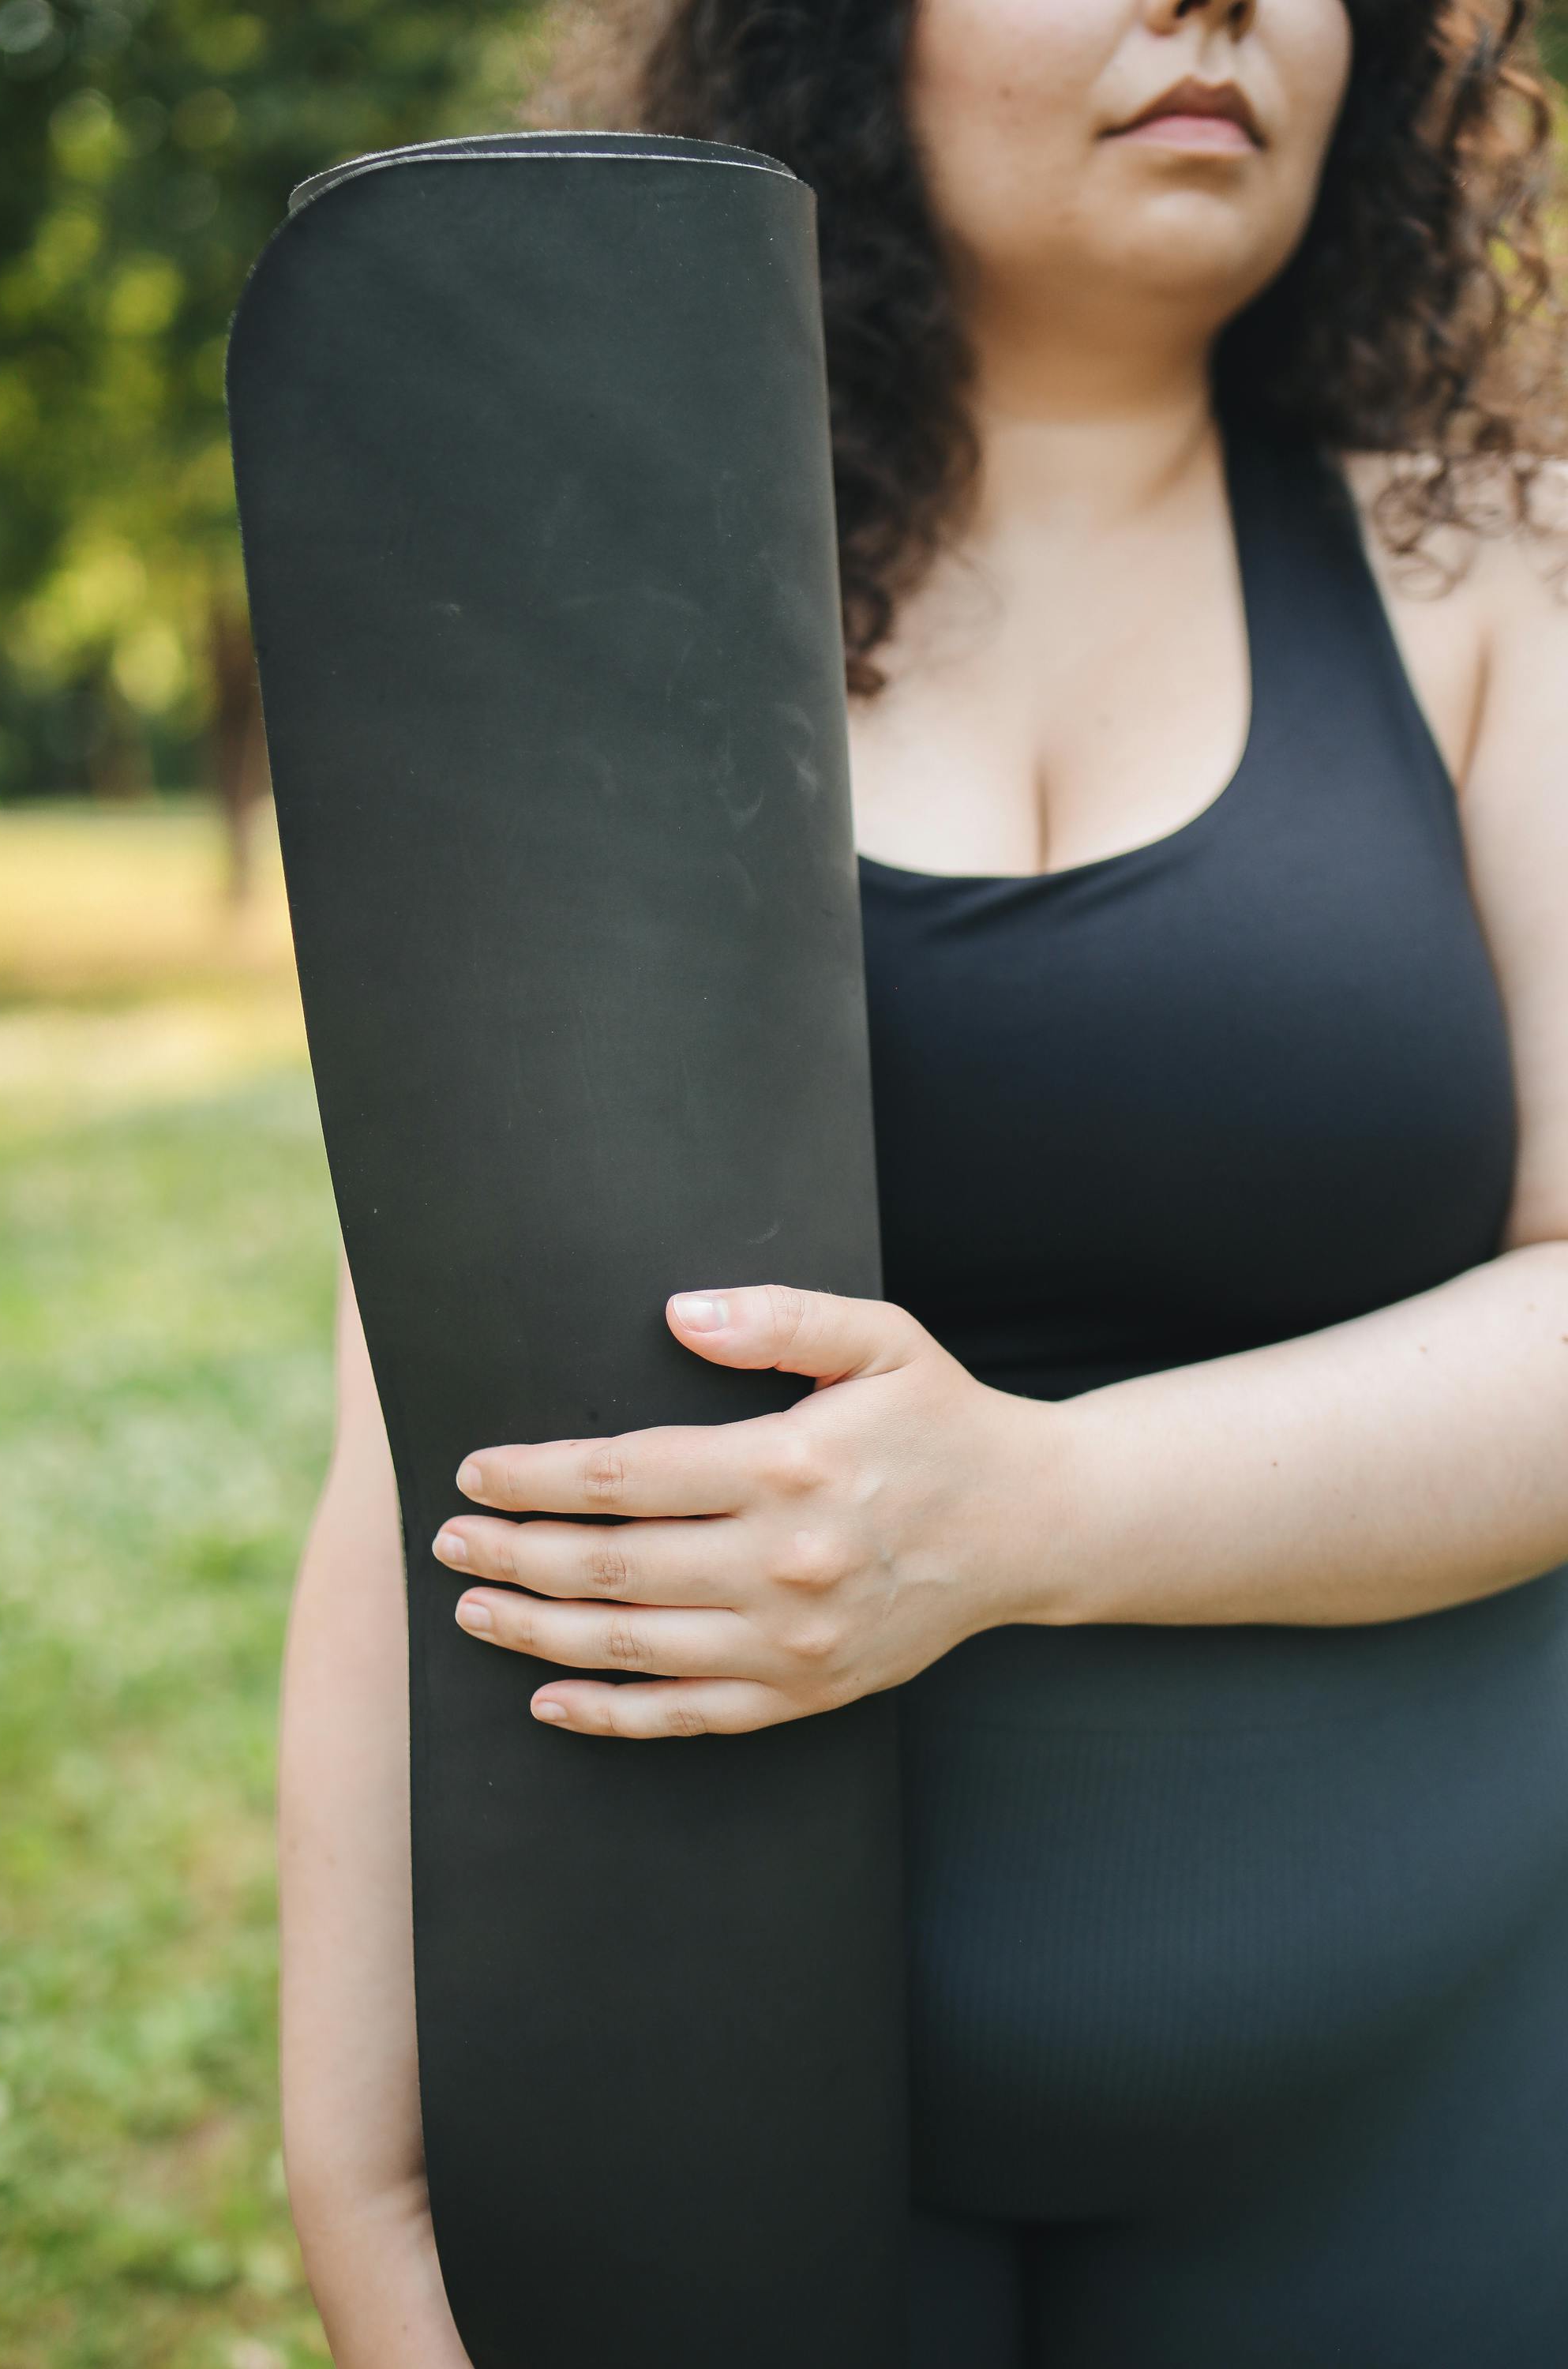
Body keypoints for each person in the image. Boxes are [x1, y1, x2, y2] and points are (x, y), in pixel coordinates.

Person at [279, 2, 1568, 2362]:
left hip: (1445, 2100)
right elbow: (429, 1424)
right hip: (729, 2137)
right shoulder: (593, 600)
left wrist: (1009, 1516)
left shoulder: (1504, 583)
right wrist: (363, 2180)